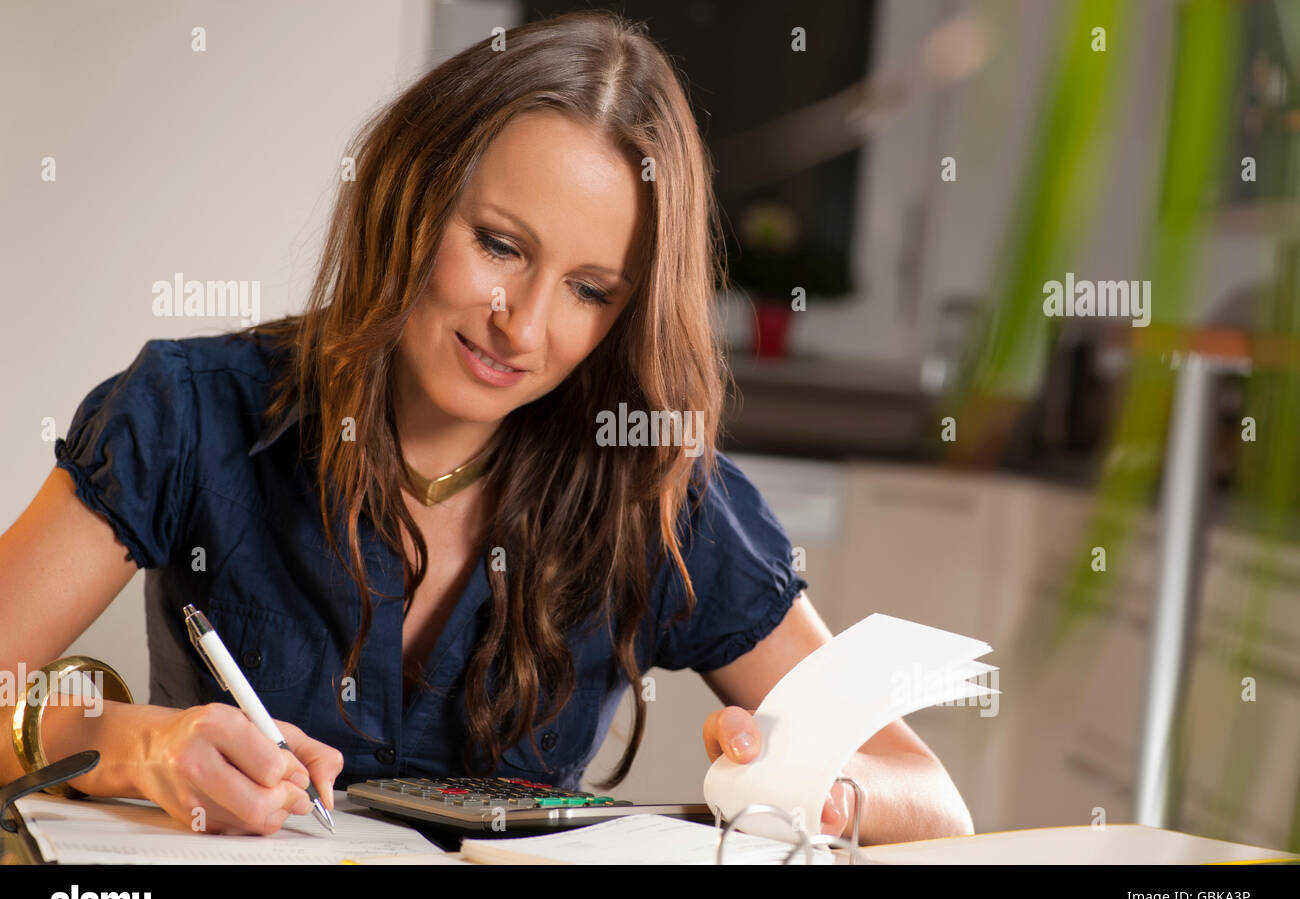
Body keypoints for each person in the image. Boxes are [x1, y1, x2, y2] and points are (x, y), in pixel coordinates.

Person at [0, 10, 973, 844]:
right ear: (410, 200)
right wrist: (130, 745)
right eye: (500, 245)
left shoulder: (651, 486)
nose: (526, 326)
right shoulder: (189, 409)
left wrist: (815, 788)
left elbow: (928, 794)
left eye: (590, 290)